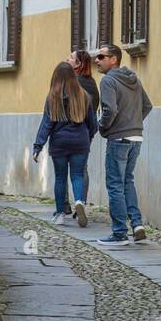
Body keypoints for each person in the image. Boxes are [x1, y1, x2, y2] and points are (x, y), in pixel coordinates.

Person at [93, 44, 152, 246]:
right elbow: (147, 106)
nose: (97, 60)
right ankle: (136, 224)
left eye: (101, 57)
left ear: (114, 59)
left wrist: (103, 128)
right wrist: (134, 123)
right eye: (96, 57)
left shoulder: (108, 81)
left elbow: (109, 109)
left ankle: (119, 233)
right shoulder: (134, 79)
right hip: (136, 138)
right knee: (127, 181)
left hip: (118, 139)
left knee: (115, 185)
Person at [32, 62, 97, 228]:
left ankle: (60, 213)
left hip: (59, 143)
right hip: (80, 142)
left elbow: (46, 124)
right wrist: (87, 138)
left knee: (60, 178)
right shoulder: (84, 96)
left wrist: (38, 146)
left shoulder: (52, 98)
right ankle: (79, 201)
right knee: (77, 175)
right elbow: (93, 123)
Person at [59, 50, 99, 215]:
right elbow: (93, 110)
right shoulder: (92, 83)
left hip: (64, 131)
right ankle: (80, 201)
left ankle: (64, 204)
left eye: (71, 58)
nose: (67, 59)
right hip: (84, 132)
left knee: (62, 170)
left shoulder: (69, 83)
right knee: (82, 169)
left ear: (78, 64)